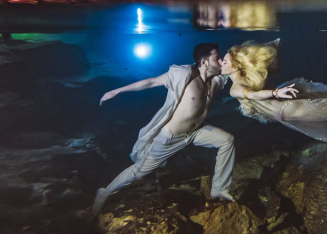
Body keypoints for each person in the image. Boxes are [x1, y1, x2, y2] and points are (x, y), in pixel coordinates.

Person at [91, 43, 235, 216]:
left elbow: (239, 63)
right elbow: (151, 82)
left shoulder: (216, 80)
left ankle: (219, 188)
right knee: (138, 171)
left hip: (196, 132)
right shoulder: (184, 75)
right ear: (204, 62)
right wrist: (116, 91)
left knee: (227, 141)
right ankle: (104, 193)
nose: (220, 61)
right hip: (171, 137)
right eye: (216, 58)